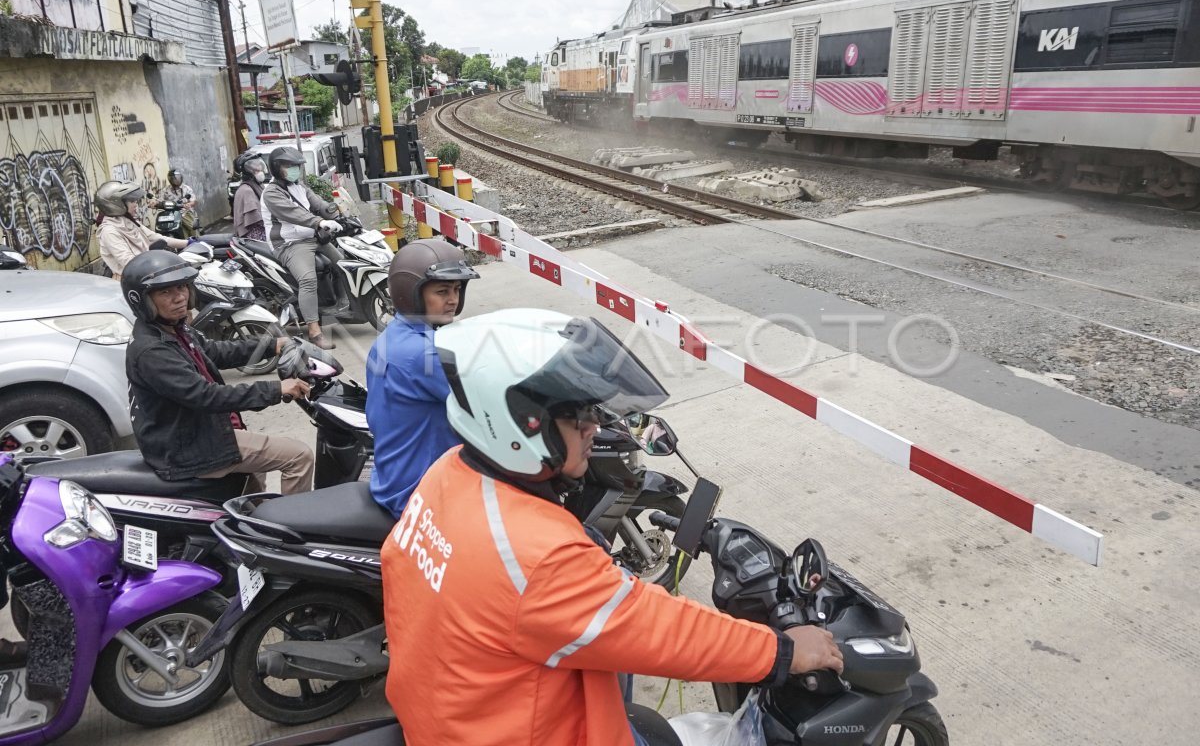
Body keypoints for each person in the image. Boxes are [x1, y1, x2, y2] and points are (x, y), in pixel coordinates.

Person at [381, 309, 844, 746]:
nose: (593, 427)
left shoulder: (449, 473)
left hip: (450, 714)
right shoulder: (538, 555)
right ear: (518, 422)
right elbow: (663, 630)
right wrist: (782, 652)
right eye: (576, 414)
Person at [122, 249, 314, 495]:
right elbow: (206, 396)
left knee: (256, 476)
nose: (179, 297)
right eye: (165, 292)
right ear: (143, 300)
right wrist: (276, 389)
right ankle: (292, 531)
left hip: (197, 431)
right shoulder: (152, 350)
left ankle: (253, 523)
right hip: (188, 446)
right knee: (298, 457)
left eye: (181, 288)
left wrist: (271, 344)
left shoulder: (174, 330)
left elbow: (215, 351)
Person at [366, 240, 479, 517]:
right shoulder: (423, 353)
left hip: (395, 475)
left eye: (456, 290)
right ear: (410, 294)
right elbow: (483, 404)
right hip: (422, 491)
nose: (452, 299)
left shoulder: (395, 336)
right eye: (442, 291)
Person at [259, 146, 347, 349]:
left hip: (313, 237)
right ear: (276, 167)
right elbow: (294, 214)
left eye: (296, 166)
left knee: (343, 263)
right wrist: (319, 222)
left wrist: (338, 214)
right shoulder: (271, 193)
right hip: (290, 244)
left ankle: (341, 303)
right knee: (308, 280)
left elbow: (319, 204)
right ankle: (314, 332)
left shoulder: (299, 186)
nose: (294, 170)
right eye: (289, 166)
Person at [95, 179, 188, 281]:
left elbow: (156, 238)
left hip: (149, 274)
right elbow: (129, 261)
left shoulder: (130, 222)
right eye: (131, 201)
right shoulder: (109, 231)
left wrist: (190, 242)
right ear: (116, 204)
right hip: (131, 282)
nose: (136, 204)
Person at [231, 151, 269, 240]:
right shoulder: (246, 190)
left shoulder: (257, 185)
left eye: (260, 169)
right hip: (253, 233)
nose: (260, 172)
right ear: (247, 172)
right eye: (256, 170)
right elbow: (256, 219)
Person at [157, 167, 198, 236]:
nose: (176, 180)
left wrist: (189, 204)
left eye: (177, 177)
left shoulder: (186, 188)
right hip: (171, 214)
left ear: (181, 177)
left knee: (192, 228)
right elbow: (158, 200)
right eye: (173, 179)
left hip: (185, 212)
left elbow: (194, 201)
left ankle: (197, 240)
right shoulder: (166, 190)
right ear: (170, 180)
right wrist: (153, 203)